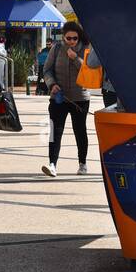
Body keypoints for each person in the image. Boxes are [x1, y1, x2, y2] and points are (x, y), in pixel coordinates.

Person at [41, 21, 90, 176]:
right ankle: (52, 164)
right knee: (55, 131)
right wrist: (52, 84)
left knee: (80, 131)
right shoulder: (56, 48)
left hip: (80, 98)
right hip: (59, 97)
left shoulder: (86, 49)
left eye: (75, 38)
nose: (72, 41)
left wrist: (75, 58)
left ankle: (82, 163)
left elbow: (88, 72)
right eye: (68, 38)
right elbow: (47, 70)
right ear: (63, 37)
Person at [85, 43, 117, 109]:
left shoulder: (107, 41)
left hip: (111, 88)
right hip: (134, 88)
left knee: (112, 115)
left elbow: (92, 63)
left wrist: (96, 43)